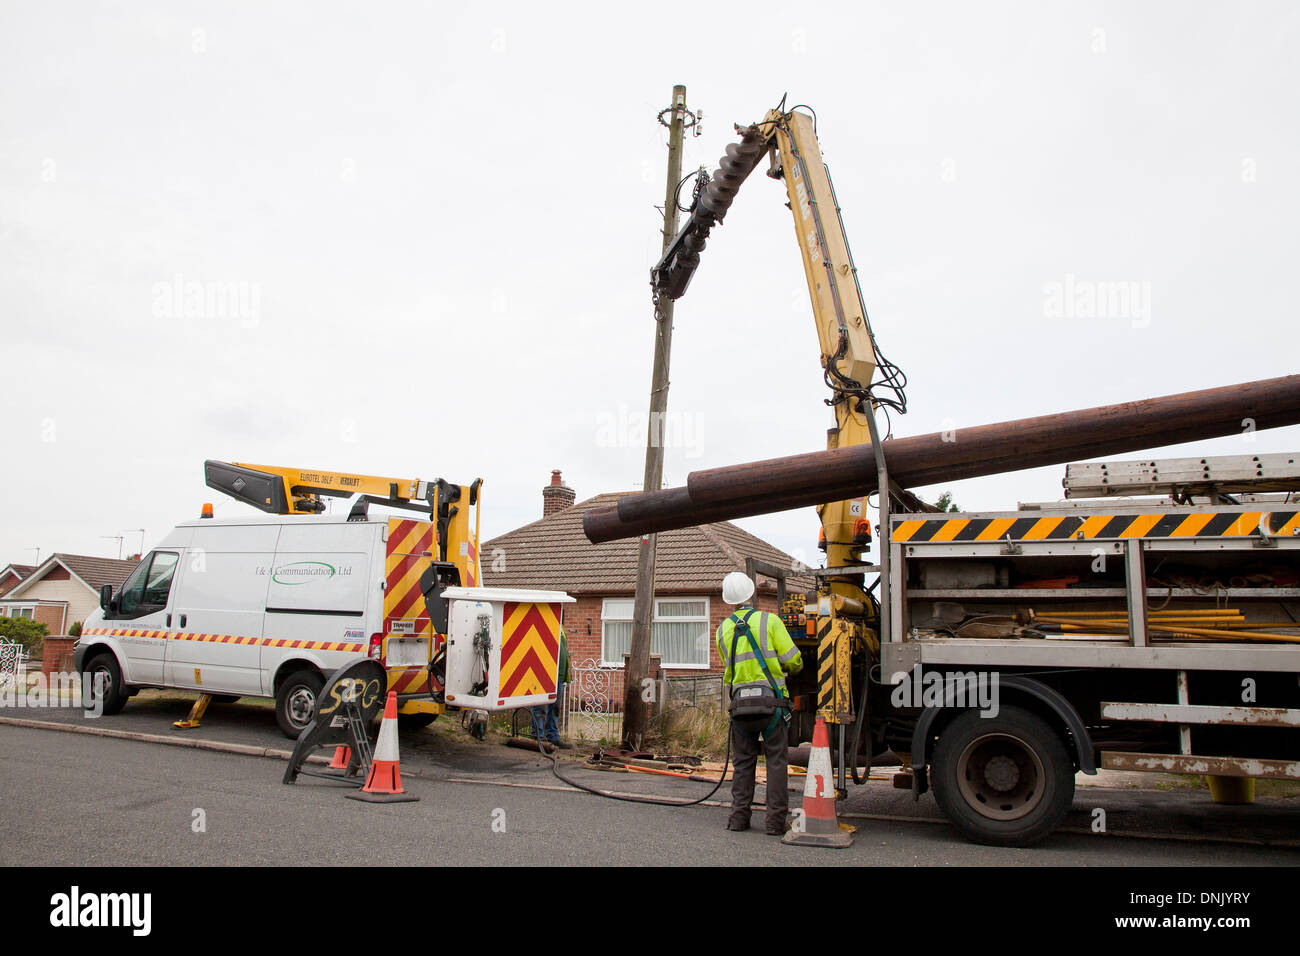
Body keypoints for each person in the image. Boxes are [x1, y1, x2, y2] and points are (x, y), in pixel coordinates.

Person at [715, 571, 804, 834]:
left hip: (740, 708)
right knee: (776, 761)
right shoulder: (770, 621)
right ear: (752, 593)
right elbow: (793, 659)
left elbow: (728, 672)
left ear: (728, 601)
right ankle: (775, 823)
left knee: (743, 763)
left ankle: (738, 819)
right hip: (771, 706)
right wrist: (792, 667)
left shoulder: (722, 630)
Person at [531, 625, 573, 749]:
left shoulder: (560, 628)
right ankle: (538, 736)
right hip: (542, 673)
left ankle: (552, 736)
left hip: (558, 675)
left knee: (554, 707)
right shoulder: (544, 623)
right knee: (538, 706)